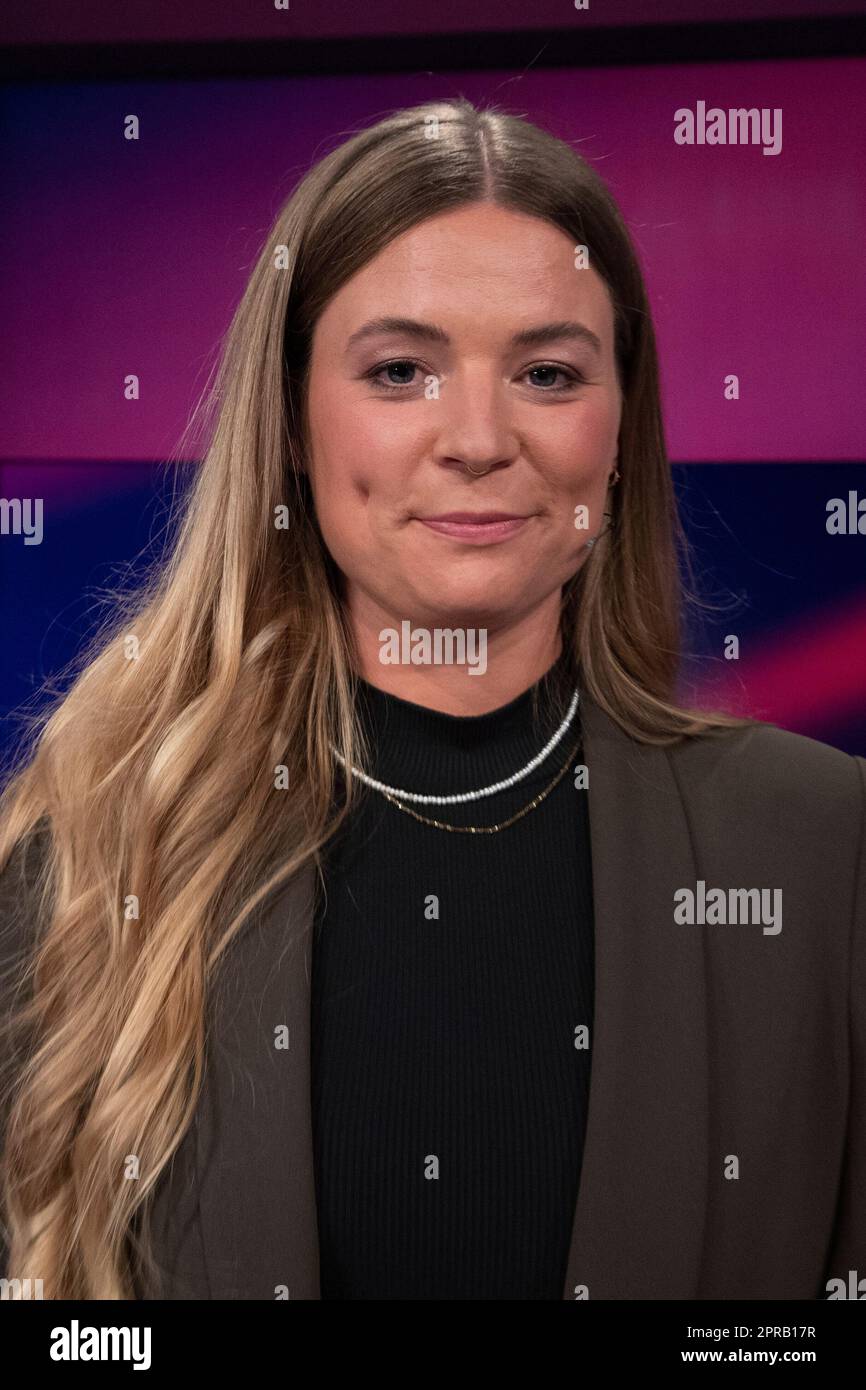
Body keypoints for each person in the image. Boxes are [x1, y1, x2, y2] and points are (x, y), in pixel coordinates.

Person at [0, 98, 863, 1301]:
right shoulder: (84, 853)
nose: (476, 437)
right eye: (400, 370)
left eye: (546, 372)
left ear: (619, 425)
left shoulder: (826, 851)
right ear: (295, 422)